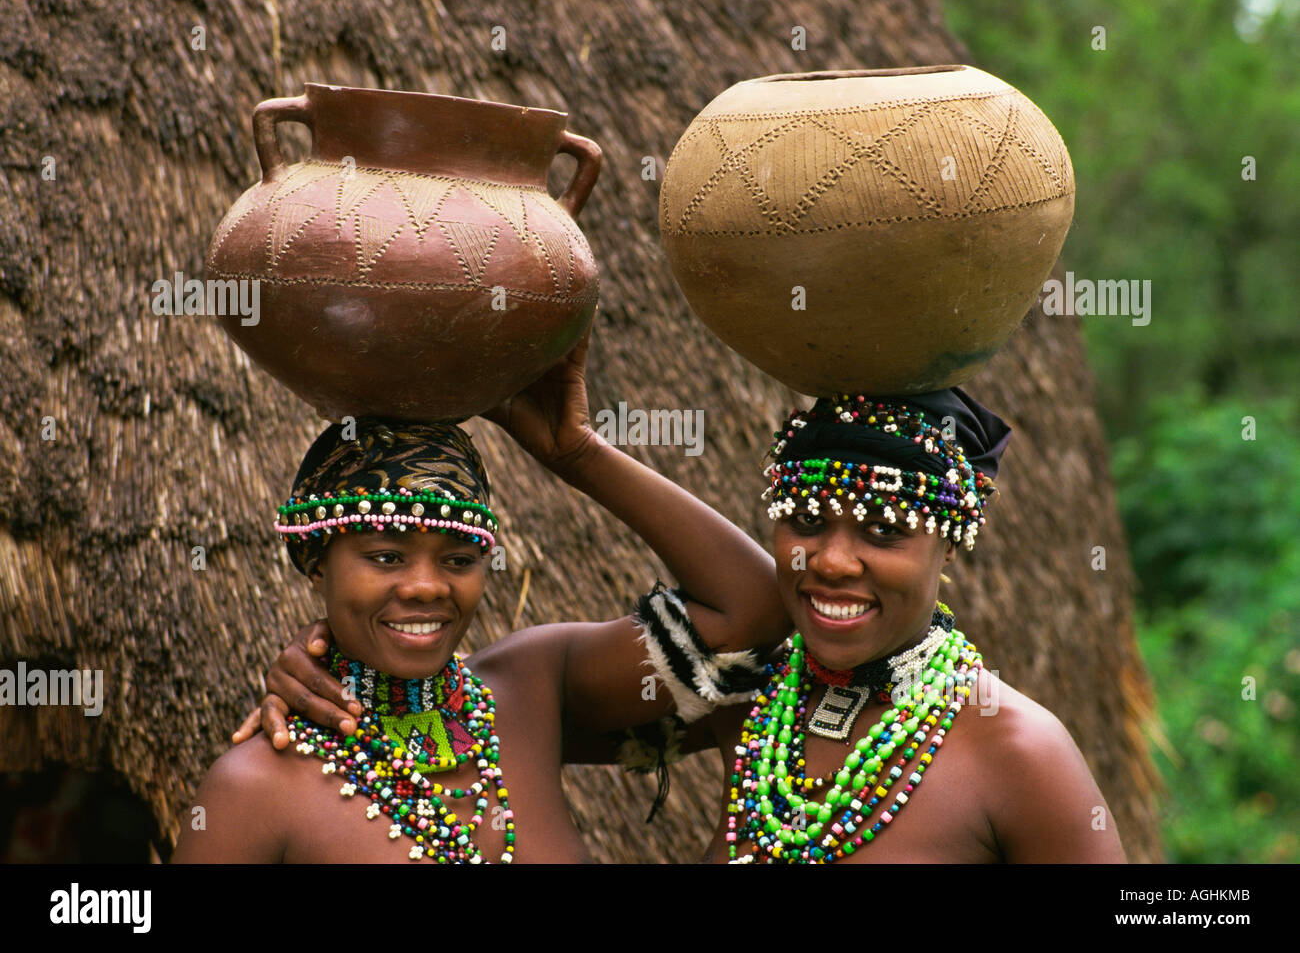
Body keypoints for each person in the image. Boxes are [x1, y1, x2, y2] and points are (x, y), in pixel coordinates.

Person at [235, 353, 1128, 863]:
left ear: (949, 541)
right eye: (808, 522)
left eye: (885, 532)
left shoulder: (1016, 749)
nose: (836, 562)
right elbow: (752, 614)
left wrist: (583, 454)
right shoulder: (767, 704)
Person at [173, 333, 790, 863]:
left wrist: (577, 454)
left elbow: (755, 611)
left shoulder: (531, 686)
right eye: (385, 556)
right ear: (314, 563)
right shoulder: (255, 788)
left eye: (458, 559)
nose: (425, 586)